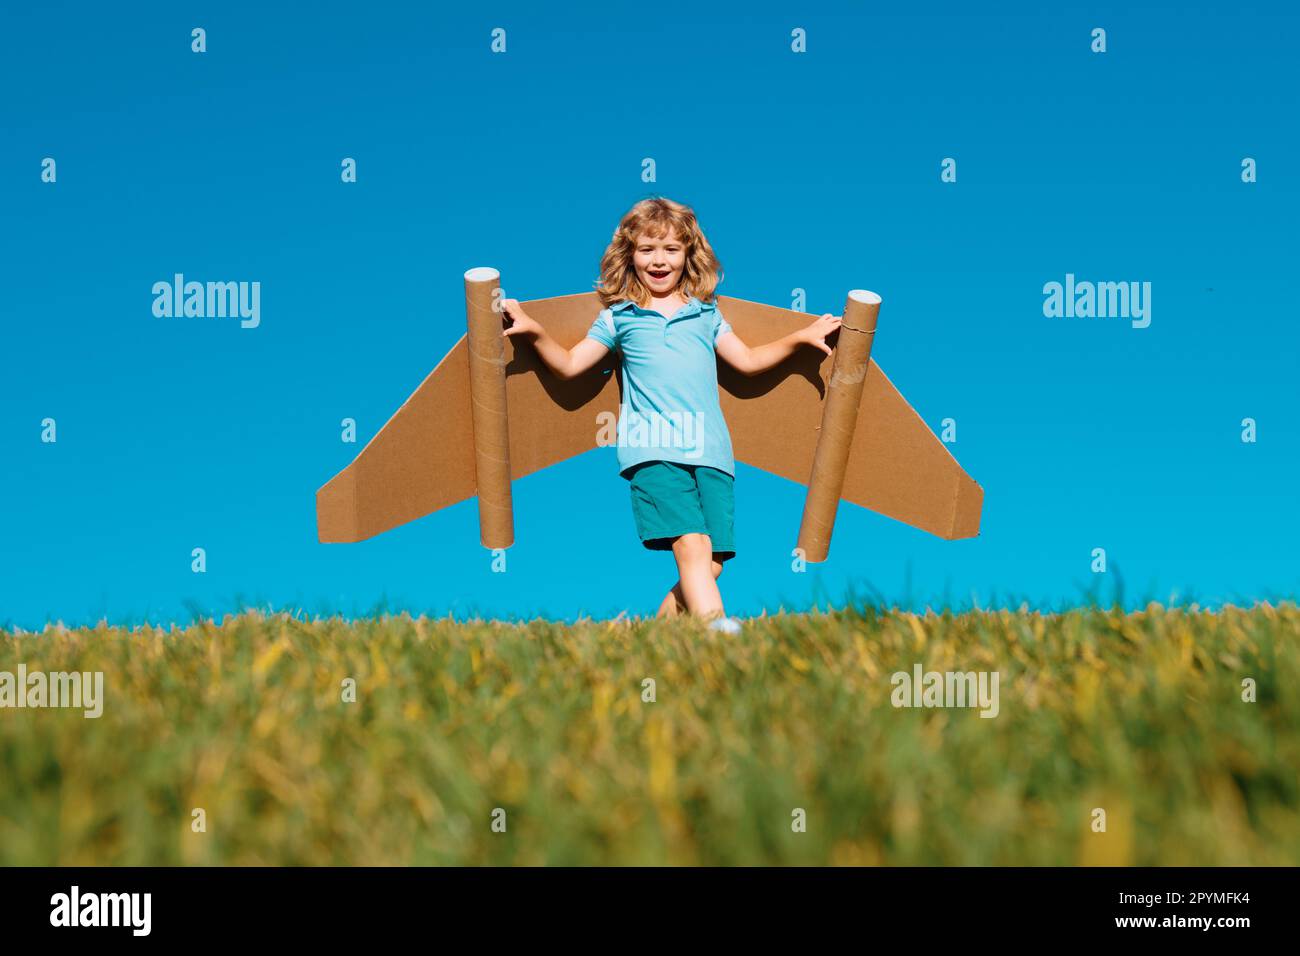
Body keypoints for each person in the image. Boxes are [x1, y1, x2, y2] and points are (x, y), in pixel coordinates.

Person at [500, 197, 840, 632]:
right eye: (647, 249)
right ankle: (719, 633)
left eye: (670, 250)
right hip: (653, 447)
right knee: (692, 545)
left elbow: (749, 361)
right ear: (630, 256)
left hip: (712, 453)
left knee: (711, 561)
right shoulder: (618, 318)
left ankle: (657, 639)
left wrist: (801, 337)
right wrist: (536, 331)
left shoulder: (706, 313)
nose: (658, 260)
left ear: (688, 256)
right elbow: (568, 366)